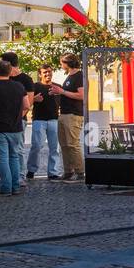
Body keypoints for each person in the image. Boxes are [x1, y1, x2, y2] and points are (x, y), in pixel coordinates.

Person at [0, 59, 32, 196]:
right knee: (14, 157)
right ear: (10, 72)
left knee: (1, 158)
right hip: (16, 127)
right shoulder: (19, 86)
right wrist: (17, 116)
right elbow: (26, 105)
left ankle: (5, 187)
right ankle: (15, 186)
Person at [1, 51, 35, 185]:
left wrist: (16, 118)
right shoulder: (4, 78)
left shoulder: (26, 79)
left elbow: (29, 102)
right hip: (4, 119)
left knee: (18, 149)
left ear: (8, 63)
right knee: (6, 150)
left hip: (19, 120)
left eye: (1, 62)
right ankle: (9, 177)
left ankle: (20, 176)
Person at [53, 54, 85, 182]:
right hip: (64, 113)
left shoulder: (79, 76)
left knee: (72, 144)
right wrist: (58, 92)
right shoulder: (69, 76)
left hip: (73, 114)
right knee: (64, 145)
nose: (61, 65)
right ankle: (68, 171)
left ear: (68, 63)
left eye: (62, 63)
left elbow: (82, 95)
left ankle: (80, 172)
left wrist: (62, 92)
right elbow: (67, 93)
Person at [27, 63, 62, 179]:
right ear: (40, 74)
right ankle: (31, 170)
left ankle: (53, 172)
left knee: (54, 148)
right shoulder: (34, 86)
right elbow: (27, 101)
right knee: (36, 146)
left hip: (54, 120)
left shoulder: (57, 87)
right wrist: (35, 99)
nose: (48, 74)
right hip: (39, 120)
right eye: (45, 72)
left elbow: (62, 102)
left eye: (49, 71)